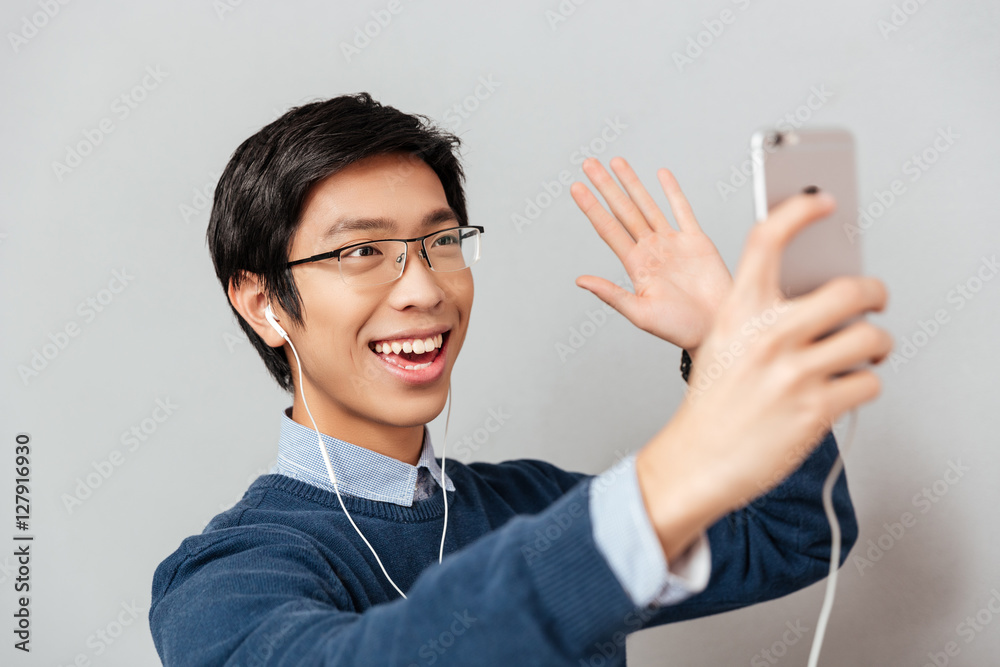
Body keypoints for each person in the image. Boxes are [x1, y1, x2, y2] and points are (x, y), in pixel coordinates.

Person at [148, 92, 891, 666]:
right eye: (360, 252)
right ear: (261, 303)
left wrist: (721, 343)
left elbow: (795, 534)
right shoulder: (225, 577)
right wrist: (667, 481)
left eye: (441, 240)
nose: (422, 288)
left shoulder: (532, 503)